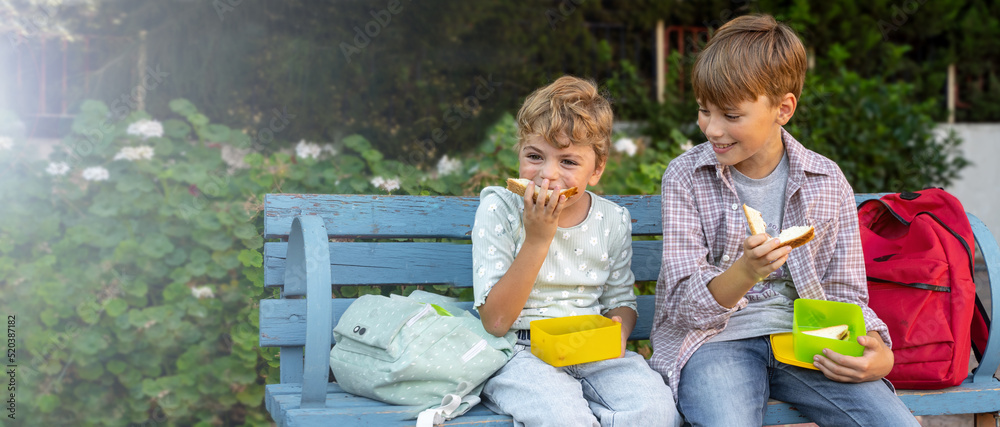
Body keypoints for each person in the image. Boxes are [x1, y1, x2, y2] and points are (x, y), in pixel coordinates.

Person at [648, 14, 919, 426]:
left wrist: (880, 349)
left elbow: (845, 292)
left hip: (811, 342)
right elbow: (684, 309)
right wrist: (745, 271)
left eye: (730, 115)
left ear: (783, 108)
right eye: (704, 111)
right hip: (715, 342)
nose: (712, 129)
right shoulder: (686, 176)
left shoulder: (826, 181)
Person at [472, 75, 680, 427]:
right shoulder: (499, 208)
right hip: (520, 351)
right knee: (564, 420)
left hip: (592, 347)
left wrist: (619, 330)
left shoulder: (612, 219)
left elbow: (621, 301)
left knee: (657, 412)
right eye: (535, 156)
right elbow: (495, 322)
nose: (548, 175)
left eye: (568, 162)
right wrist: (538, 239)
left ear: (597, 169)